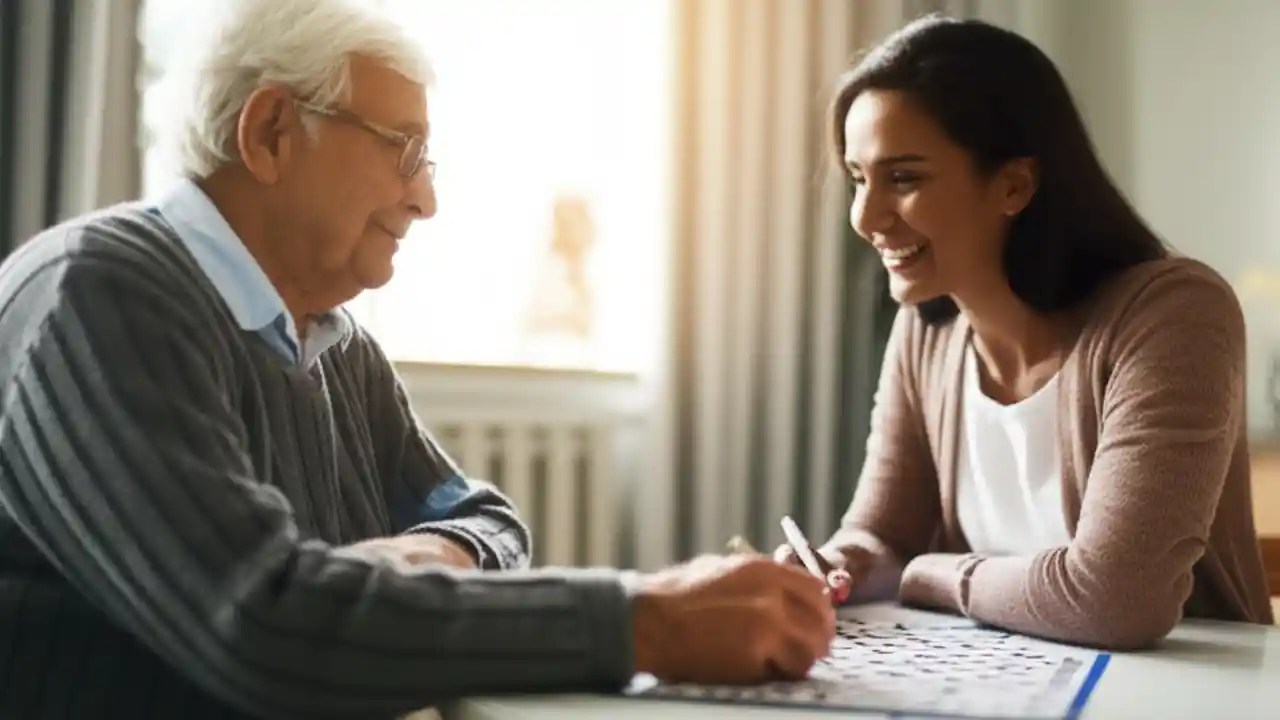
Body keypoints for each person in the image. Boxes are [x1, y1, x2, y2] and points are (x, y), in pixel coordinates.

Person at [0, 1, 833, 717]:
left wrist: (435, 551)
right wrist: (648, 619)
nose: (426, 198)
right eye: (403, 149)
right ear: (271, 132)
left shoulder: (330, 337)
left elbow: (489, 519)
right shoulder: (100, 293)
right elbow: (259, 624)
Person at [777, 15, 1274, 648]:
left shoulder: (1172, 315)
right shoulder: (925, 332)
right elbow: (881, 537)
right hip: (995, 686)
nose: (865, 217)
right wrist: (835, 566)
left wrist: (928, 575)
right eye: (858, 178)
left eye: (904, 179)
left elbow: (1117, 601)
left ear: (1014, 184)